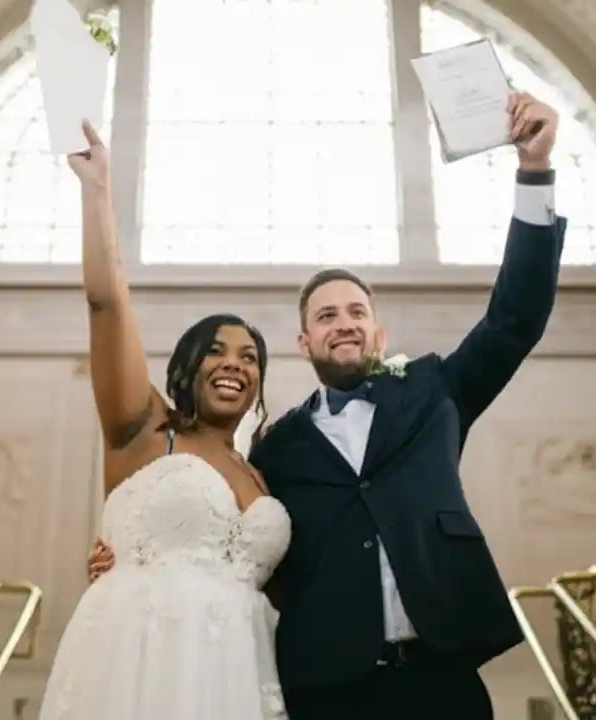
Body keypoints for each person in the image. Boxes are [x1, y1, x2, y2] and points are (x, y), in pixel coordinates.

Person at [90, 90, 565, 720]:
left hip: (442, 675)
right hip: (324, 688)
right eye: (325, 315)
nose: (343, 323)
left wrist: (534, 170)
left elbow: (515, 320)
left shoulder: (436, 393)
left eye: (356, 312)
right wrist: (130, 556)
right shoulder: (274, 450)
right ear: (304, 340)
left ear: (379, 332)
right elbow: (241, 550)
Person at [38, 122, 292, 720]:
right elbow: (107, 302)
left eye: (249, 356)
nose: (234, 364)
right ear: (184, 367)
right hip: (140, 663)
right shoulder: (145, 429)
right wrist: (97, 191)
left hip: (239, 671)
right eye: (216, 350)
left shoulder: (262, 470)